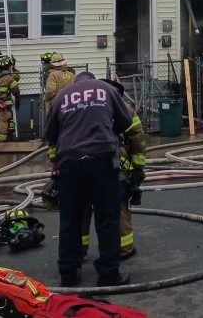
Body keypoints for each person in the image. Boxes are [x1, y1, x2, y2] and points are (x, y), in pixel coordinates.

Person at [45, 71, 134, 288]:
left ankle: (68, 273)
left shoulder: (61, 97)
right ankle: (108, 274)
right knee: (107, 218)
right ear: (92, 80)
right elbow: (125, 122)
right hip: (101, 160)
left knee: (70, 219)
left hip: (71, 164)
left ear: (77, 82)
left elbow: (50, 133)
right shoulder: (107, 90)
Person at [80, 79, 147, 260]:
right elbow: (137, 139)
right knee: (118, 206)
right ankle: (124, 249)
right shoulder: (125, 108)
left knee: (82, 209)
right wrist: (138, 168)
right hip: (115, 168)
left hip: (81, 165)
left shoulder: (84, 107)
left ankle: (78, 250)